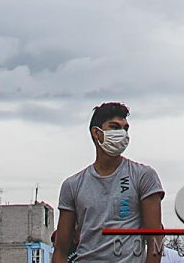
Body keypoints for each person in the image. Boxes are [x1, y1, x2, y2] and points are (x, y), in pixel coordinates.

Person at [54, 101, 164, 263]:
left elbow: (155, 240)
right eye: (114, 127)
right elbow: (60, 249)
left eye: (125, 128)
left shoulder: (143, 175)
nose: (122, 133)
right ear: (96, 133)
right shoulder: (73, 185)